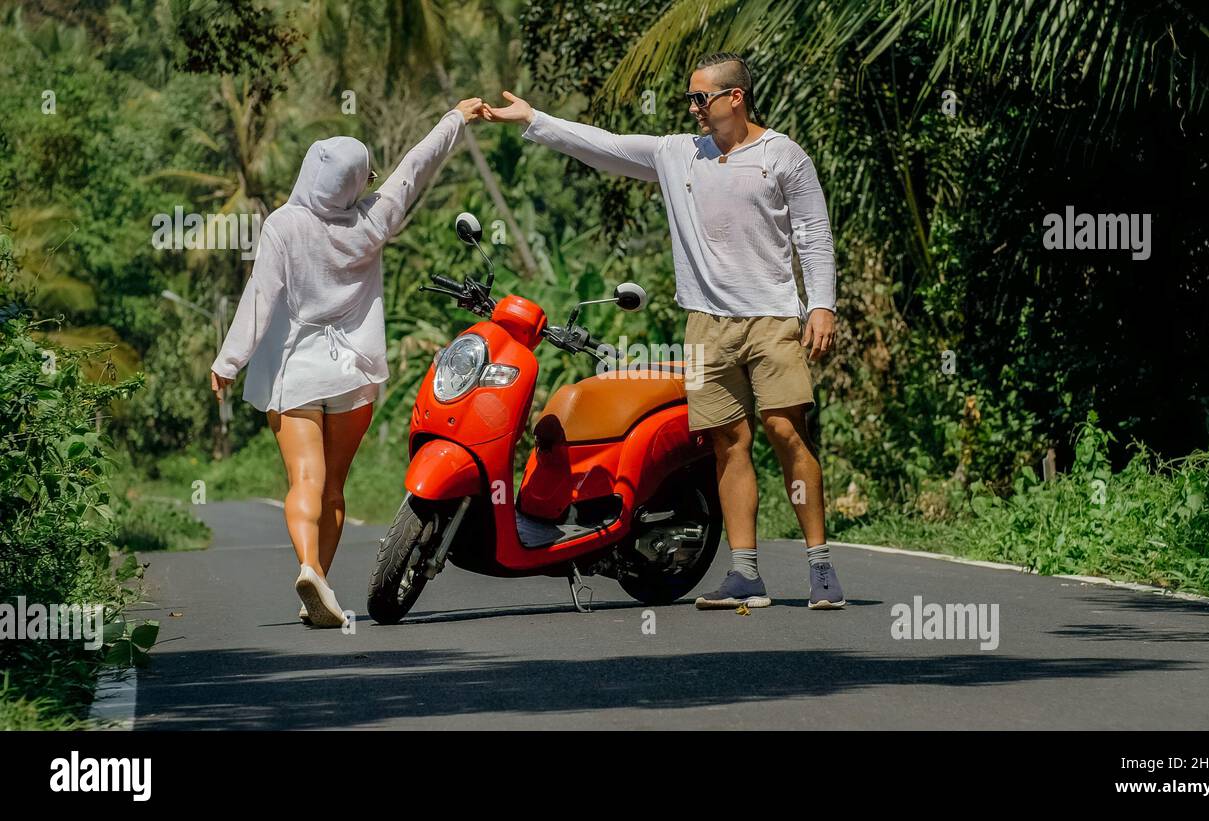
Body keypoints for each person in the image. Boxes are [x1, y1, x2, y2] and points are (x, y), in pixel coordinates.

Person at [483, 53, 845, 610]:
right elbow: (604, 145)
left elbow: (815, 235)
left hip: (773, 318)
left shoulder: (783, 156)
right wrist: (535, 120)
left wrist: (821, 306)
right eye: (690, 99)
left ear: (735, 98)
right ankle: (745, 573)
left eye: (701, 98)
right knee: (728, 443)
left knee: (785, 432)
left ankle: (820, 566)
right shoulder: (679, 154)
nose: (693, 108)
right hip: (705, 325)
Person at [209, 98, 483, 627]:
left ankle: (310, 567)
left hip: (297, 371)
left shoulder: (283, 226)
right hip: (353, 375)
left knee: (304, 480)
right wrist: (454, 118)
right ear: (356, 183)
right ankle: (321, 587)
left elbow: (260, 297)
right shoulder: (373, 219)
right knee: (335, 484)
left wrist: (229, 360)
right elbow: (416, 167)